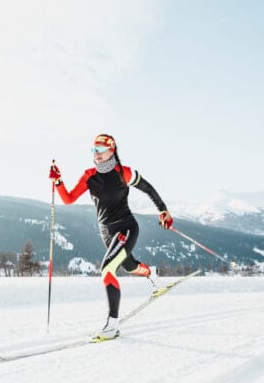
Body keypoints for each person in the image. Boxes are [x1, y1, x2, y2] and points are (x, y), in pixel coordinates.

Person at [49, 133, 174, 341]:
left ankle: (112, 326)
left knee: (107, 269)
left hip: (126, 228)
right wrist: (59, 181)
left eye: (100, 150)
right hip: (106, 232)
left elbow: (148, 188)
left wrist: (163, 210)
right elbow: (68, 199)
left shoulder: (123, 173)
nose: (96, 154)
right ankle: (153, 273)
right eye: (93, 150)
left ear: (111, 150)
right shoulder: (89, 176)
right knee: (129, 266)